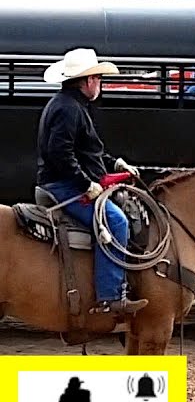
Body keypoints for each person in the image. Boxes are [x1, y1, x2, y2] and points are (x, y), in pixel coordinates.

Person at [37, 48, 148, 315]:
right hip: (63, 187)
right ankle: (109, 298)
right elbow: (60, 154)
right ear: (87, 81)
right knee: (117, 222)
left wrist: (115, 163)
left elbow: (88, 152)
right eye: (98, 78)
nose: (100, 84)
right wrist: (86, 184)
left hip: (66, 182)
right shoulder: (69, 109)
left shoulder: (70, 105)